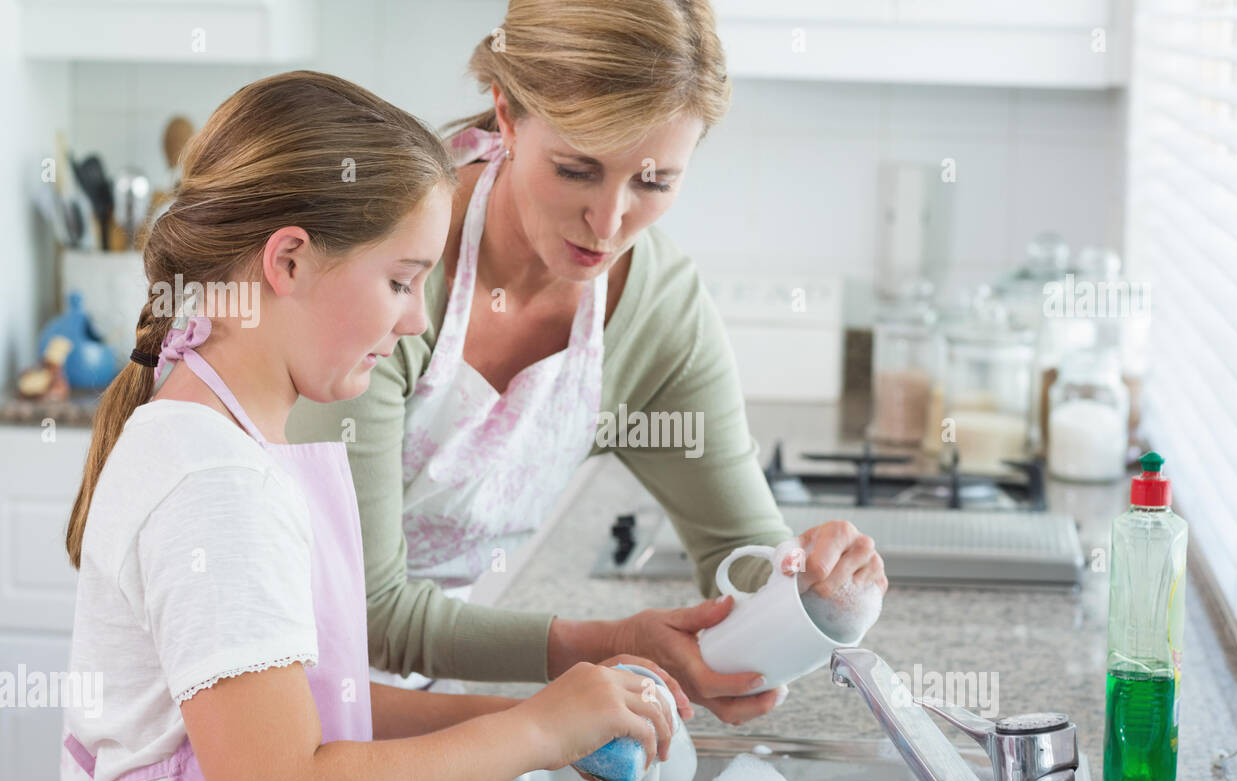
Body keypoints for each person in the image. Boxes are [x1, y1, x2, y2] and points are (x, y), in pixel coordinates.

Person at [56, 71, 682, 781]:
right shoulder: (216, 488)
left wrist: (550, 722)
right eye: (399, 281)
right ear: (289, 261)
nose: (418, 319)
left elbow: (316, 712)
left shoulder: (223, 437)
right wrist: (534, 730)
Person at [286, 0, 889, 725]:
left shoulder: (657, 314)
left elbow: (740, 553)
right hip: (238, 697)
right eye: (577, 170)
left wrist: (811, 593)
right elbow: (370, 607)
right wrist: (611, 645)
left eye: (655, 182)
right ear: (506, 117)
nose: (608, 224)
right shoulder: (388, 262)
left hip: (404, 702)